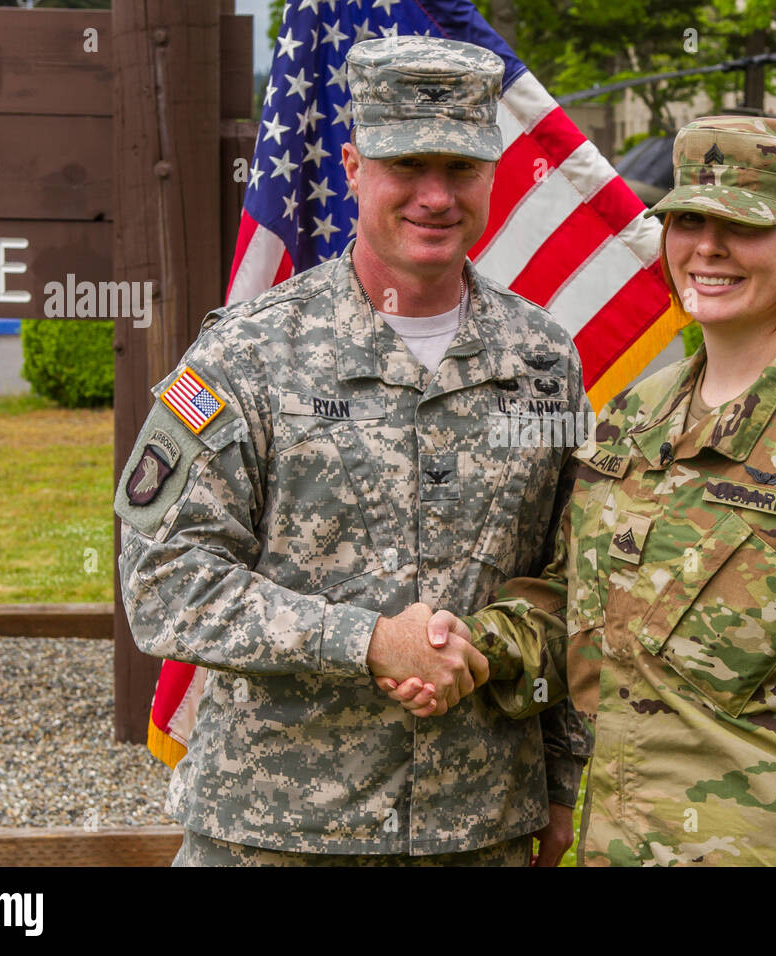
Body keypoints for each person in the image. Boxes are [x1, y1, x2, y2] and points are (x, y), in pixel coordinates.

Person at [382, 116, 776, 866]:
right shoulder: (638, 420)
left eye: (743, 224)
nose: (707, 247)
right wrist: (467, 648)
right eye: (688, 220)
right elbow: (573, 605)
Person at [115, 35, 590, 866]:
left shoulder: (544, 363)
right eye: (406, 164)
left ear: (494, 174)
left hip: (479, 831)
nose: (435, 196)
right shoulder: (248, 355)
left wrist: (560, 786)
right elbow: (163, 580)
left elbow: (576, 582)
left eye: (461, 167)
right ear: (353, 165)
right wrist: (367, 641)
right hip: (275, 834)